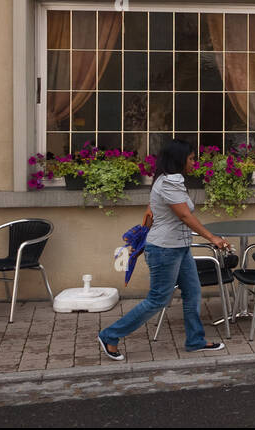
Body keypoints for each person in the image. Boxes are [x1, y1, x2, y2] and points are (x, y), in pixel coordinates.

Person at [99, 139, 233, 359]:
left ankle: (195, 340)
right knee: (158, 299)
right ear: (179, 159)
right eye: (190, 158)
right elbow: (184, 215)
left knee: (192, 292)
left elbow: (152, 213)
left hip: (178, 247)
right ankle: (110, 335)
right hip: (164, 250)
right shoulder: (169, 183)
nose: (194, 162)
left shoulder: (167, 180)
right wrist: (212, 238)